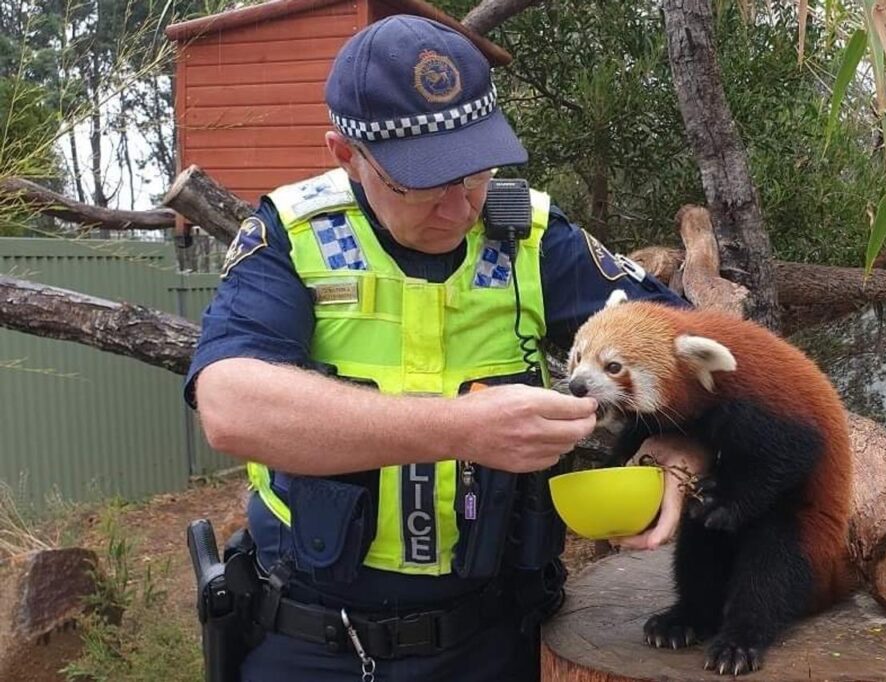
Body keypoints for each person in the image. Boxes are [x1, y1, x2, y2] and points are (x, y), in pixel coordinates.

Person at [186, 14, 698, 682]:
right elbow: (230, 406)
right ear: (346, 154)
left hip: (498, 639)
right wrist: (461, 429)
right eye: (423, 183)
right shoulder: (294, 236)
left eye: (475, 172)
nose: (461, 209)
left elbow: (701, 350)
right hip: (313, 643)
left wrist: (679, 456)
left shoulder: (532, 235)